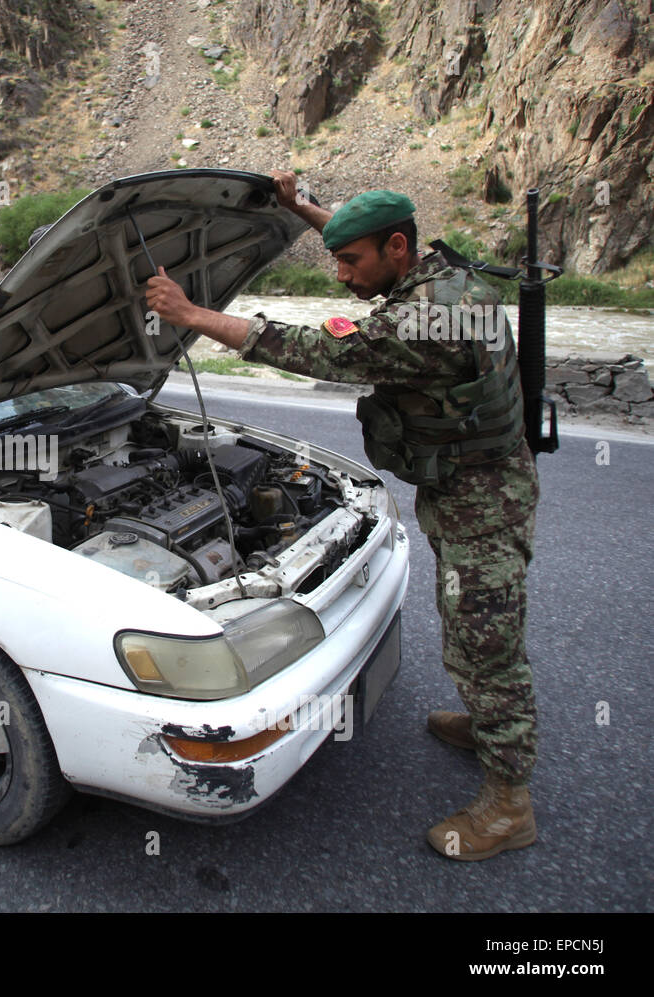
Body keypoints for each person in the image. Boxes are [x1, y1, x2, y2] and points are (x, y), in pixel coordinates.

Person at [146, 171, 540, 862]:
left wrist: (193, 316)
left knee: (485, 643)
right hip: (479, 485)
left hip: (483, 502)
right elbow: (369, 244)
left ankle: (510, 802)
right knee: (471, 626)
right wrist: (306, 210)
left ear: (395, 248)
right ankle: (489, 723)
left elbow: (319, 350)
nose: (340, 274)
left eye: (349, 261)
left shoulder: (421, 324)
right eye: (337, 257)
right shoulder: (446, 272)